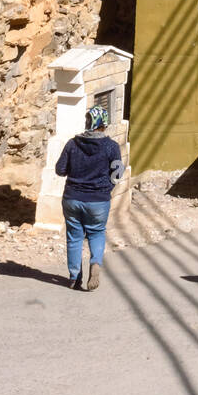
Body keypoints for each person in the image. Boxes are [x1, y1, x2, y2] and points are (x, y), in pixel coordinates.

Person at [56, 105, 123, 292]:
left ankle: (74, 277)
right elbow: (118, 174)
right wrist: (107, 186)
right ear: (103, 124)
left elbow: (60, 170)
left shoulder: (72, 144)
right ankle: (95, 263)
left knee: (74, 237)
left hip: (72, 198)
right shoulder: (112, 147)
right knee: (96, 232)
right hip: (98, 200)